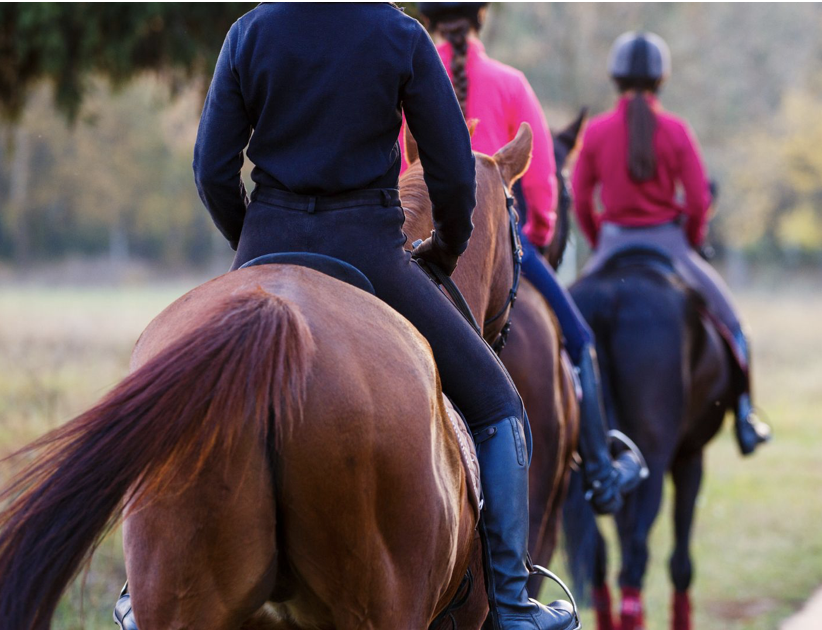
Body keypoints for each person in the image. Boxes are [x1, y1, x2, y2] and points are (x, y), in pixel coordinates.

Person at [113, 5, 576, 630]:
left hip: (263, 243)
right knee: (498, 407)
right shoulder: (399, 34)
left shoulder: (250, 31)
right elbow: (452, 174)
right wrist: (443, 249)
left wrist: (250, 245)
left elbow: (211, 170)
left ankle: (142, 592)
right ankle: (515, 607)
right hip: (370, 251)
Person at [414, 2, 635, 515]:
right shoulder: (511, 83)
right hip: (501, 234)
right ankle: (601, 471)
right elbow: (539, 181)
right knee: (579, 340)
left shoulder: (411, 69)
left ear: (429, 21)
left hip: (421, 235)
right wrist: (532, 234)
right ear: (480, 17)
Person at [572, 31, 771, 457]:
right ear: (662, 80)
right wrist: (691, 243)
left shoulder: (597, 132)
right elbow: (698, 202)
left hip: (611, 244)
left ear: (615, 78)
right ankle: (746, 416)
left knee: (564, 324)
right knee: (734, 326)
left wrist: (598, 241)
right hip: (671, 244)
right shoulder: (677, 131)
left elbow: (581, 198)